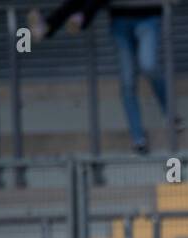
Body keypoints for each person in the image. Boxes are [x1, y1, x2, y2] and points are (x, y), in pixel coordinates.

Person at [29, 1, 179, 154]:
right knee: (127, 81)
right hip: (120, 21)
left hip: (148, 16)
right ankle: (138, 138)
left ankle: (170, 114)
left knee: (149, 65)